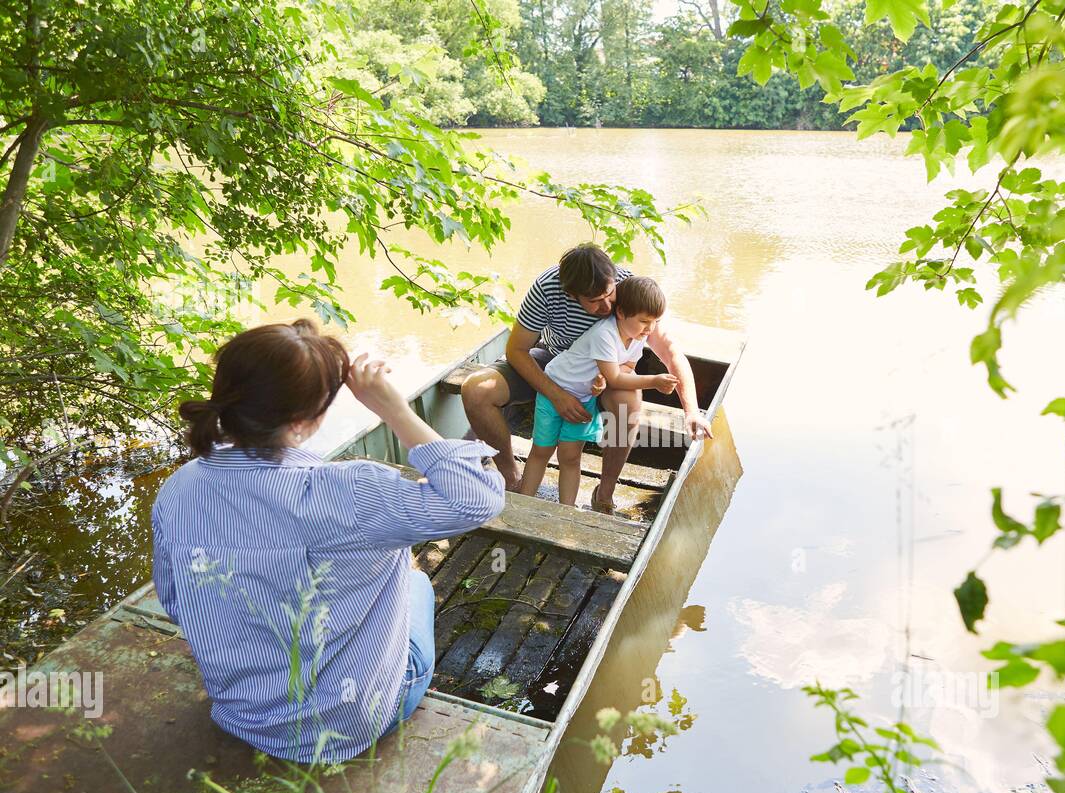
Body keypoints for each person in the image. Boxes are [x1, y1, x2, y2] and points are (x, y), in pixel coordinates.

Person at [150, 319, 504, 764]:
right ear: (304, 422)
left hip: (243, 714)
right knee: (414, 583)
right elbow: (477, 498)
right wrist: (394, 410)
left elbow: (172, 597)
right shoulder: (348, 490)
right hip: (353, 721)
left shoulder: (179, 488)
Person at [462, 243, 713, 513]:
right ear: (571, 294)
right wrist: (557, 395)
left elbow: (671, 351)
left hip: (610, 371)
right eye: (594, 301)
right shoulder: (547, 288)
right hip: (555, 360)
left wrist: (691, 411)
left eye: (609, 295)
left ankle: (604, 494)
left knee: (629, 404)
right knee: (475, 390)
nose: (606, 306)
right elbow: (516, 350)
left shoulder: (629, 287)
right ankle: (512, 479)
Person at [519, 277, 676, 506]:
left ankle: (566, 512)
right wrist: (653, 381)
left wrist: (602, 378)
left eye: (655, 322)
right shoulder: (605, 333)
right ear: (621, 313)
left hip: (584, 398)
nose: (650, 328)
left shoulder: (636, 338)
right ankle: (523, 504)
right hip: (555, 390)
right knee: (542, 451)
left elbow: (627, 367)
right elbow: (616, 377)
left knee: (570, 456)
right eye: (644, 321)